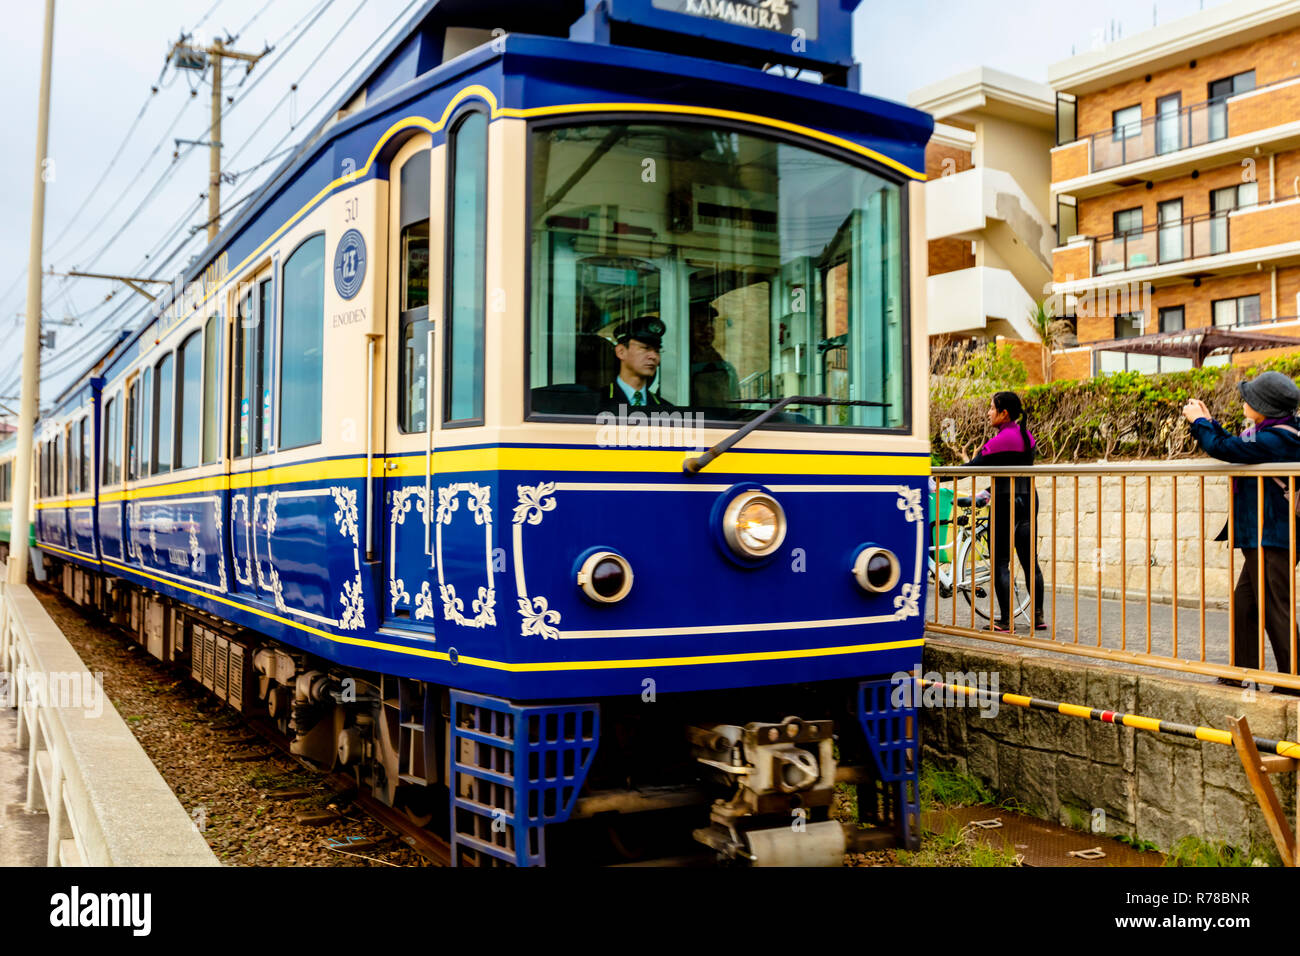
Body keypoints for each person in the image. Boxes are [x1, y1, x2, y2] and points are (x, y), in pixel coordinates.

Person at [1183, 370, 1300, 684]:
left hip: (1272, 535)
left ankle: (1294, 681)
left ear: (1265, 407)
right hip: (1264, 534)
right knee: (1245, 602)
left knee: (1275, 607)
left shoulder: (1277, 439)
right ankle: (1240, 673)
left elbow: (1224, 449)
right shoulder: (1273, 433)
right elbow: (1233, 444)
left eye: (1250, 398)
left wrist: (1199, 422)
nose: (1244, 402)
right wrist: (1208, 422)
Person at [961, 391, 1046, 631]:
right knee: (1030, 562)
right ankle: (1038, 617)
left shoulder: (1000, 441)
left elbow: (971, 468)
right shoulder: (1027, 436)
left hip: (1005, 503)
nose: (989, 413)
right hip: (1028, 500)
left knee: (1000, 563)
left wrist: (930, 476)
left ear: (1004, 413)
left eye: (992, 408)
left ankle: (1006, 620)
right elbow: (1015, 471)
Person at [600, 315, 673, 411]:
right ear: (621, 352)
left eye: (657, 351)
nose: (653, 356)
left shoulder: (666, 409)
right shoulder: (597, 401)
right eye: (645, 348)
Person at [689, 301, 738, 407]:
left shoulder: (724, 367)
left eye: (711, 322)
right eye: (701, 322)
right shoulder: (681, 365)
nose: (708, 327)